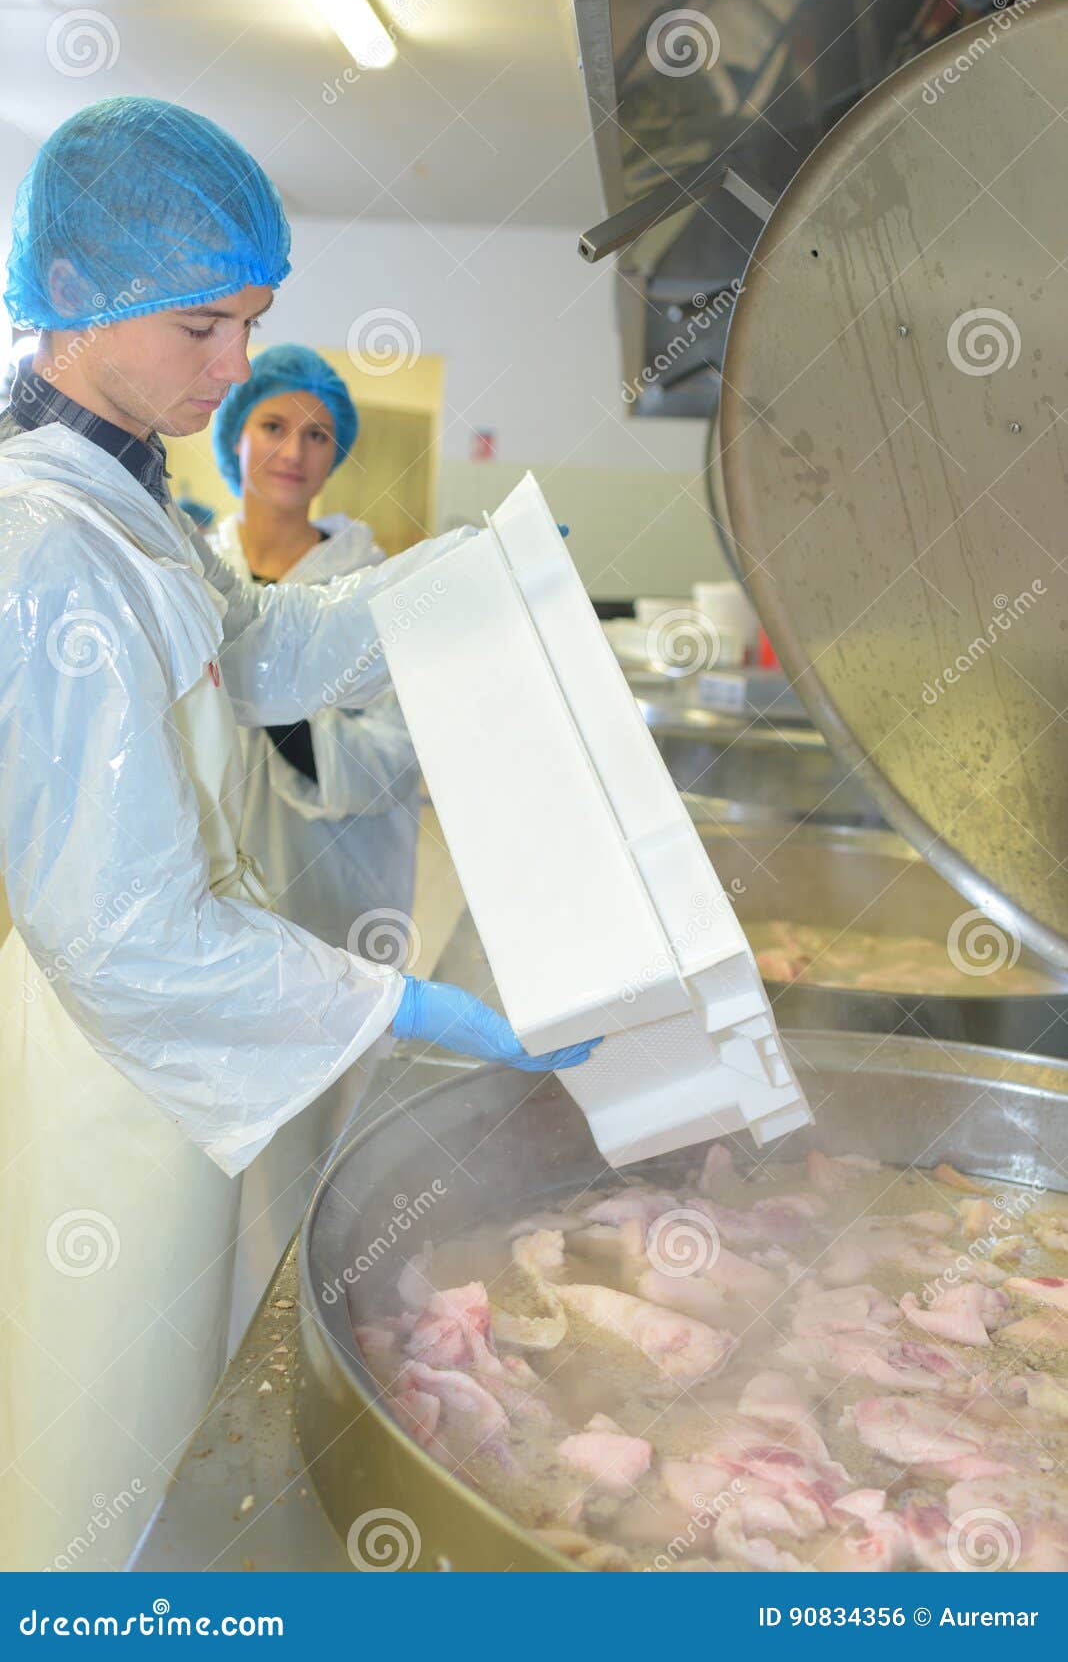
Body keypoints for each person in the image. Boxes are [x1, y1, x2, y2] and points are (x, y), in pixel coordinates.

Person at [0, 95, 596, 1570]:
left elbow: (260, 650)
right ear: (71, 293)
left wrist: (467, 577)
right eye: (204, 327)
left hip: (170, 1055)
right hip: (118, 1067)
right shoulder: (45, 545)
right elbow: (129, 940)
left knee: (180, 1379)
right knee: (109, 1434)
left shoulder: (124, 491)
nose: (236, 368)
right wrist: (398, 1002)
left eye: (253, 326)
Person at [208, 344, 422, 1349]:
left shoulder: (370, 585)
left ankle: (293, 1333)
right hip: (207, 895)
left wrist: (270, 699)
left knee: (310, 1123)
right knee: (215, 1131)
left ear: (337, 455)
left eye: (318, 433)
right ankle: (209, 1324)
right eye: (273, 425)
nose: (294, 450)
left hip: (333, 888)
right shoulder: (190, 566)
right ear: (234, 436)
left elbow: (397, 751)